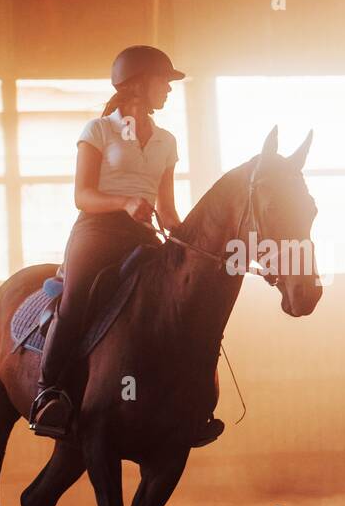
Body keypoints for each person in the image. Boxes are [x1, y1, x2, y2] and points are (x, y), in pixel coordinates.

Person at [28, 45, 225, 447]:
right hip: (96, 233)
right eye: (163, 83)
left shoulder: (167, 142)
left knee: (178, 301)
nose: (169, 90)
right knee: (77, 300)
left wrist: (192, 243)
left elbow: (168, 211)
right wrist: (125, 202)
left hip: (142, 235)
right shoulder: (98, 131)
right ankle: (48, 393)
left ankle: (185, 402)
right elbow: (82, 195)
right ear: (137, 85)